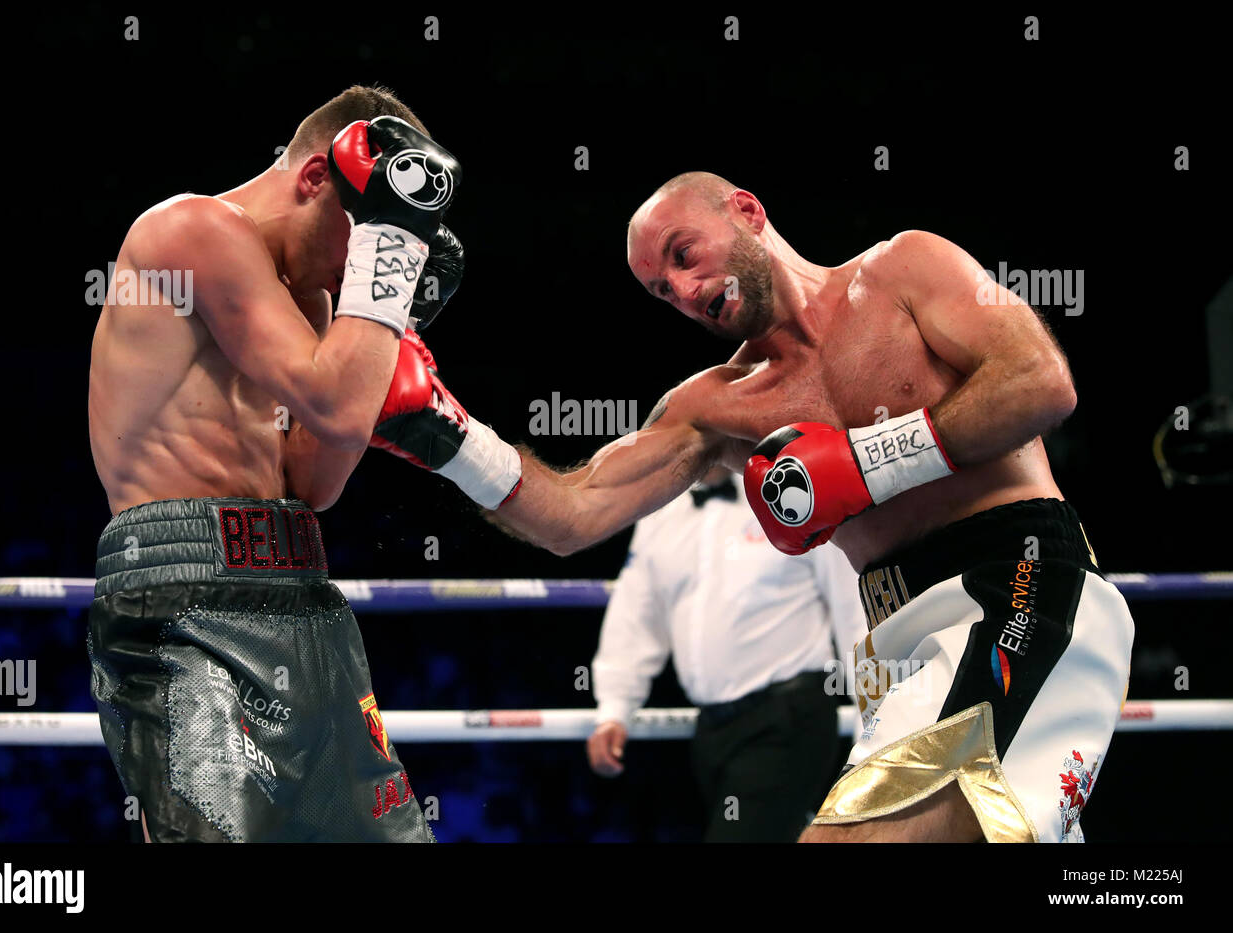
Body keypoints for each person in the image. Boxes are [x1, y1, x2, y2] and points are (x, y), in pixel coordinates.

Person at [366, 171, 1135, 843]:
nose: (686, 291)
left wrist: (866, 464)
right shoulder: (718, 407)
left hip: (1018, 586)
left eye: (683, 254)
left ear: (746, 210)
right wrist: (451, 435)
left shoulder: (907, 267)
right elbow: (575, 512)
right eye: (662, 291)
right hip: (895, 647)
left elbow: (1039, 382)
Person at [86, 85, 464, 842]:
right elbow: (330, 397)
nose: (356, 271)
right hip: (184, 601)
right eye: (360, 237)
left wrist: (385, 324)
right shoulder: (191, 227)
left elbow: (317, 484)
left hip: (303, 593)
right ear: (318, 177)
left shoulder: (315, 301)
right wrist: (387, 262)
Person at [586, 467, 865, 842]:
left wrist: (874, 718)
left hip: (788, 720)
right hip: (711, 732)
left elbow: (854, 614)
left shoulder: (793, 492)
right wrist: (614, 710)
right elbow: (635, 616)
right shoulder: (660, 514)